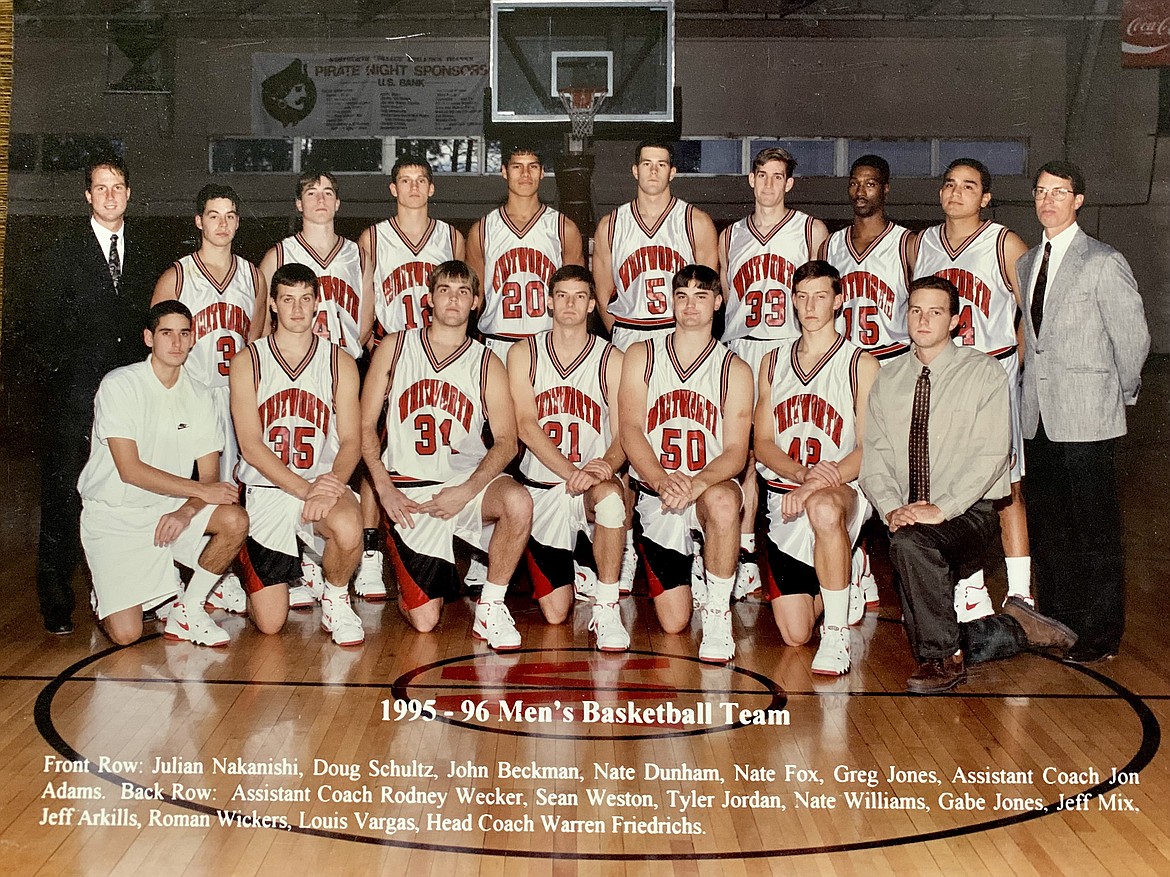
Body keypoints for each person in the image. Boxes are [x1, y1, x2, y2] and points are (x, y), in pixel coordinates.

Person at [859, 277, 1076, 693]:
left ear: (955, 321)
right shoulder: (888, 380)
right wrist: (891, 508)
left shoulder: (983, 372)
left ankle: (945, 662)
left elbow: (993, 454)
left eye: (935, 312)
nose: (923, 320)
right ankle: (1015, 630)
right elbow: (876, 457)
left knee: (911, 549)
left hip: (969, 514)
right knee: (920, 623)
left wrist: (941, 508)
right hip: (907, 514)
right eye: (916, 310)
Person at [360, 260, 533, 650]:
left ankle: (490, 606)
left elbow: (507, 440)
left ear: (475, 302)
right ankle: (426, 568)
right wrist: (384, 490)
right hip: (410, 492)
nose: (453, 299)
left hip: (463, 486)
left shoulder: (487, 361)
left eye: (463, 292)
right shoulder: (395, 346)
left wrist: (467, 491)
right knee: (425, 622)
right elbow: (364, 427)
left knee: (518, 501)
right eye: (444, 291)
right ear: (429, 298)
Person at [1019, 160, 1150, 664]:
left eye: (1060, 192)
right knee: (1051, 525)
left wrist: (1112, 398)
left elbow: (1133, 340)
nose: (1048, 200)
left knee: (1094, 528)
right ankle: (1060, 622)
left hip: (1087, 417)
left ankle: (1101, 634)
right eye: (1041, 191)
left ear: (1079, 200)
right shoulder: (1028, 262)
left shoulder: (1103, 260)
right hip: (1039, 416)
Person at [32, 155, 164, 635]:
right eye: (101, 187)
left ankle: (132, 589)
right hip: (75, 398)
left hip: (130, 397)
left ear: (129, 193)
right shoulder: (60, 251)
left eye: (118, 187)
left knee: (132, 493)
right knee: (66, 495)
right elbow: (42, 330)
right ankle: (56, 601)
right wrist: (63, 389)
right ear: (88, 195)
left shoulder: (149, 252)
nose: (110, 195)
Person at [78, 300, 248, 647]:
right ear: (148, 338)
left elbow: (209, 475)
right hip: (115, 515)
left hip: (166, 511)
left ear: (192, 339)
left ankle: (188, 608)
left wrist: (185, 509)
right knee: (126, 635)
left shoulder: (199, 394)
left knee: (234, 520)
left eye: (184, 334)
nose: (176, 343)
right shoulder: (120, 385)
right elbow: (130, 470)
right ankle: (109, 590)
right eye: (166, 333)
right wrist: (201, 493)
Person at [914, 158, 1031, 620]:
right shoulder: (922, 243)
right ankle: (972, 585)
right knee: (951, 486)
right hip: (943, 378)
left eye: (968, 186)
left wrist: (1012, 366)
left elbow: (1033, 316)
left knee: (1006, 485)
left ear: (985, 198)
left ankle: (1021, 592)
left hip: (990, 375)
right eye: (949, 184)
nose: (956, 193)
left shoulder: (1004, 242)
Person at [619, 265, 753, 663]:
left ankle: (716, 612)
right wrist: (661, 481)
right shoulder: (642, 356)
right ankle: (700, 560)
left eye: (700, 296)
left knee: (725, 503)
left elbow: (734, 452)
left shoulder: (735, 369)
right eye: (682, 296)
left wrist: (695, 485)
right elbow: (629, 430)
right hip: (657, 494)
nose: (690, 305)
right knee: (674, 622)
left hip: (705, 488)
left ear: (717, 302)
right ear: (671, 303)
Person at [753, 261, 879, 674]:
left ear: (839, 300)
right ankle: (847, 568)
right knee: (794, 634)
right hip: (784, 495)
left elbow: (869, 447)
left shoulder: (860, 364)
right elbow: (763, 443)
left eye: (821, 296)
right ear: (792, 300)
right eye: (802, 296)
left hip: (842, 491)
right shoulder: (772, 362)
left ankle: (837, 635)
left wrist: (814, 486)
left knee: (823, 509)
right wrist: (802, 476)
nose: (810, 305)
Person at [230, 264, 366, 646]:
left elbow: (352, 440)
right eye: (287, 300)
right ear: (273, 304)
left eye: (305, 299)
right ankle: (276, 564)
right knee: (271, 624)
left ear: (317, 303)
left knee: (349, 526)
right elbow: (251, 447)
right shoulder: (248, 361)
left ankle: (336, 598)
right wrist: (307, 490)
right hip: (268, 489)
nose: (297, 309)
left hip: (321, 485)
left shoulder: (339, 361)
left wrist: (331, 484)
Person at [260, 170, 376, 605]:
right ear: (299, 204)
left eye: (329, 192)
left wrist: (346, 353)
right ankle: (301, 557)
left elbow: (365, 317)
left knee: (353, 453)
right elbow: (263, 318)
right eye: (312, 193)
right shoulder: (279, 254)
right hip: (291, 368)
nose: (321, 199)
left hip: (339, 367)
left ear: (339, 203)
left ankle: (362, 555)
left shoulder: (357, 254)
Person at [720, 147, 829, 600]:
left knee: (799, 443)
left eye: (777, 176)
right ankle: (745, 551)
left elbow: (823, 291)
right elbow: (723, 296)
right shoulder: (729, 236)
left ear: (789, 183)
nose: (768, 183)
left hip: (791, 349)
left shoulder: (810, 230)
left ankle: (843, 554)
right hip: (744, 348)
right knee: (743, 452)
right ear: (751, 179)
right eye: (760, 175)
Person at [151, 184, 266, 614]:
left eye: (230, 215)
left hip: (232, 398)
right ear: (199, 221)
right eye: (213, 215)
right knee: (180, 487)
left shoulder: (253, 275)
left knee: (230, 489)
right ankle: (163, 577)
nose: (222, 224)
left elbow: (255, 344)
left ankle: (214, 574)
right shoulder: (178, 275)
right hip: (188, 396)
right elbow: (159, 347)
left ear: (238, 221)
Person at [355, 156, 466, 601]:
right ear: (393, 189)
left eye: (422, 180)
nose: (414, 187)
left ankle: (456, 548)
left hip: (437, 357)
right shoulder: (373, 237)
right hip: (393, 352)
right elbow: (365, 296)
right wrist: (369, 342)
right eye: (406, 180)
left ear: (432, 188)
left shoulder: (451, 236)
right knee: (375, 451)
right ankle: (369, 553)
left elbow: (463, 293)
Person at [506, 265, 629, 651]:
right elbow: (526, 425)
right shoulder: (523, 352)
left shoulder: (613, 358)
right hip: (543, 489)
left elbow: (626, 433)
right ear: (548, 301)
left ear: (592, 304)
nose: (570, 304)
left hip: (593, 485)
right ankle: (582, 560)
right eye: (561, 295)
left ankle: (608, 607)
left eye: (579, 296)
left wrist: (604, 467)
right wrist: (572, 473)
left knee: (611, 501)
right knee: (556, 613)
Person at [821, 154, 917, 610]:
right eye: (856, 183)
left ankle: (904, 566)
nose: (862, 191)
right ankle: (857, 561)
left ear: (886, 189)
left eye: (871, 183)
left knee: (894, 469)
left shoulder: (907, 245)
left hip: (892, 364)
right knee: (850, 463)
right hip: (846, 368)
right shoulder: (832, 245)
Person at [593, 141, 719, 352]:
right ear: (635, 170)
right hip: (628, 331)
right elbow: (602, 293)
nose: (653, 170)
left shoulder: (696, 222)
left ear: (672, 172)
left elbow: (707, 294)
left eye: (661, 164)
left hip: (678, 331)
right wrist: (617, 331)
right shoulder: (611, 225)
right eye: (646, 164)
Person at [467, 145, 585, 362]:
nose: (525, 174)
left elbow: (579, 297)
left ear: (542, 172)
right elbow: (473, 299)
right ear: (504, 171)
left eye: (532, 167)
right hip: (497, 342)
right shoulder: (482, 231)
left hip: (548, 343)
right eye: (517, 167)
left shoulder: (563, 229)